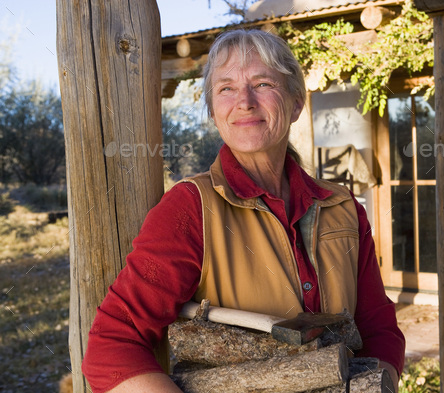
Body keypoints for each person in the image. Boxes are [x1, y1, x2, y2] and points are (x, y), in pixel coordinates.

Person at [82, 29, 405, 393]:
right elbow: (111, 346)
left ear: (296, 102)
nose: (245, 101)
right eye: (226, 88)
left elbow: (379, 329)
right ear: (214, 112)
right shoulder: (190, 209)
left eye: (263, 83)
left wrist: (380, 383)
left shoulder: (342, 206)